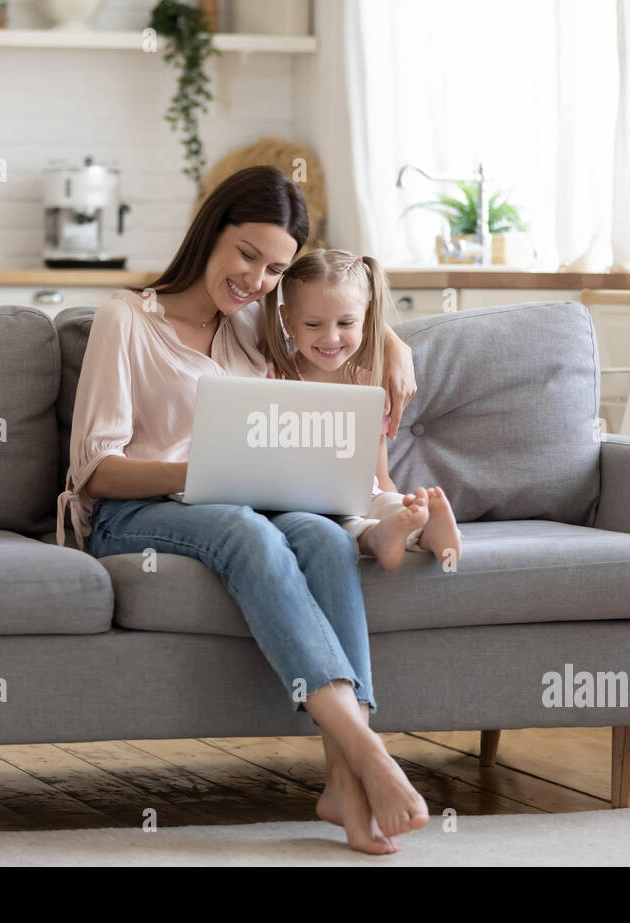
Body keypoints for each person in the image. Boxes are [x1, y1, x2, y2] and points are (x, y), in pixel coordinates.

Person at [55, 166, 427, 854]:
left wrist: (394, 343)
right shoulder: (126, 319)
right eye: (247, 254)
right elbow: (94, 471)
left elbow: (341, 307)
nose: (255, 280)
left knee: (321, 536)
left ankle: (340, 781)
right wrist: (201, 474)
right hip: (134, 514)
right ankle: (369, 751)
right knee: (243, 527)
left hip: (241, 501)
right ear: (211, 233)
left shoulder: (256, 325)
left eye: (273, 269)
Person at [263, 248, 462, 571]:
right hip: (304, 504)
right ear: (287, 320)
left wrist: (395, 501)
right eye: (314, 324)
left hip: (361, 494)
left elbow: (379, 475)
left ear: (367, 318)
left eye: (345, 322)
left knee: (390, 505)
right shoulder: (273, 378)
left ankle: (426, 531)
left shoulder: (370, 387)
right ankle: (385, 536)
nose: (331, 337)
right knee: (337, 524)